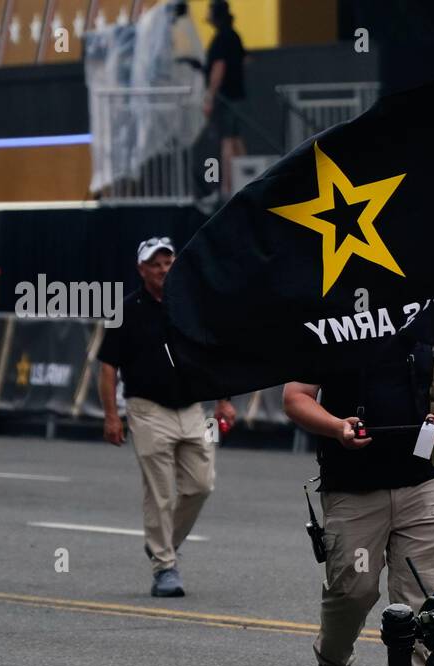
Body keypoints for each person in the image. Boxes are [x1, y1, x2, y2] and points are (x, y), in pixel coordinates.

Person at [282, 332, 434, 666]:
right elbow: (295, 396)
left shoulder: (426, 323)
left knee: (424, 594)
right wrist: (336, 427)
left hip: (420, 482)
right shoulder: (330, 323)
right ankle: (333, 663)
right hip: (352, 486)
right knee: (353, 590)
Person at [98, 237, 237, 598]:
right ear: (141, 268)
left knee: (201, 484)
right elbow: (108, 368)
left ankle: (164, 544)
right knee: (159, 492)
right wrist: (112, 416)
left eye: (168, 263)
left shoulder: (190, 305)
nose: (162, 270)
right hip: (147, 409)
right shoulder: (124, 310)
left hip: (192, 408)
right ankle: (165, 567)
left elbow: (213, 354)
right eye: (155, 264)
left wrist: (224, 400)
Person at [204, 1, 247, 197]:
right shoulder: (234, 36)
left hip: (227, 98)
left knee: (228, 144)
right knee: (236, 142)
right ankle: (245, 184)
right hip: (237, 96)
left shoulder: (222, 38)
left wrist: (210, 96)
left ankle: (227, 189)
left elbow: (219, 68)